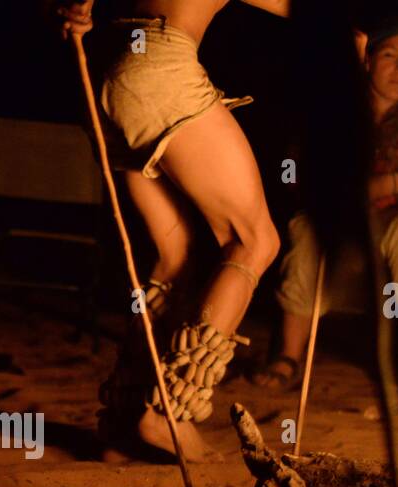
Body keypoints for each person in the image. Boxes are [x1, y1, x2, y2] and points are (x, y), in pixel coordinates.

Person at [58, 0, 286, 462]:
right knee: (255, 240)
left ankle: (127, 420)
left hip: (106, 68)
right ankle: (171, 411)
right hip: (158, 66)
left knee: (173, 257)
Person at [255, 16, 398, 396]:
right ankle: (289, 355)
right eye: (391, 55)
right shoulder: (334, 108)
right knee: (307, 228)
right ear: (368, 59)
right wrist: (397, 180)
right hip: (341, 221)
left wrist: (373, 188)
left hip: (396, 224)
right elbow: (300, 179)